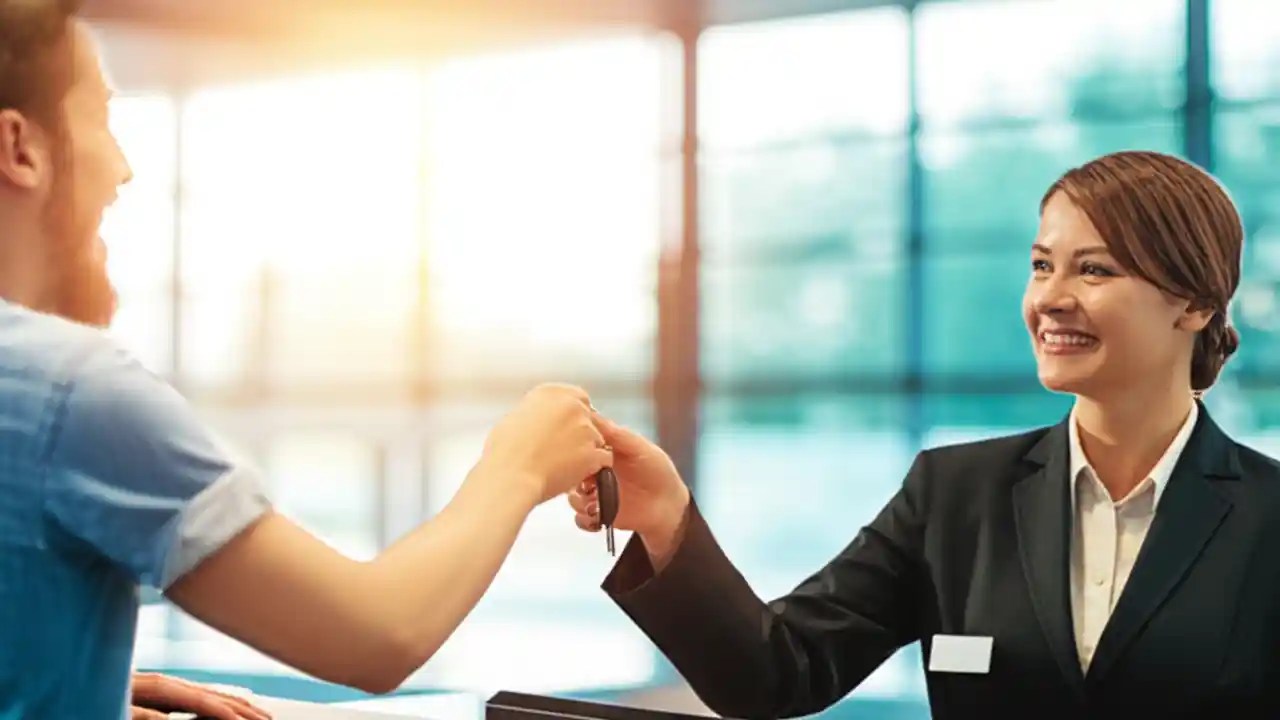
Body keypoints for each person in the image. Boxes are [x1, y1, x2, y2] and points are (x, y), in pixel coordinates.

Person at [0, 2, 614, 718]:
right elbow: (379, 635)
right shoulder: (69, 393)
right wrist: (520, 463)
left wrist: (83, 690)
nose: (124, 168)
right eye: (102, 118)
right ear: (20, 149)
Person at [568, 150, 1280, 719]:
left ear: (1193, 303)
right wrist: (667, 521)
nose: (1050, 299)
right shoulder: (953, 495)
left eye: (1094, 269)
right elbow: (775, 674)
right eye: (1042, 266)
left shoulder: (1267, 517)